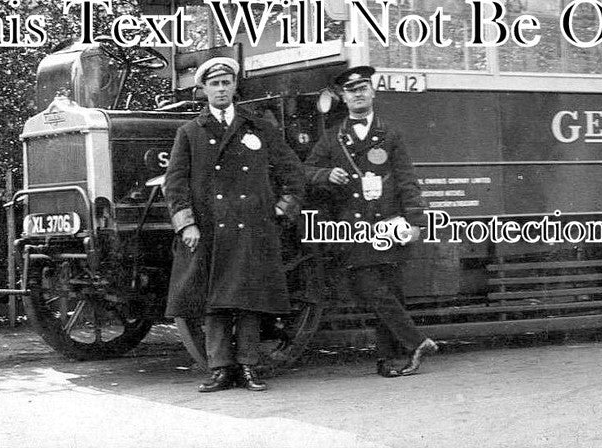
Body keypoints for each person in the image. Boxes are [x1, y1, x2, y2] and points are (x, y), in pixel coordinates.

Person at [163, 57, 304, 393]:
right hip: (211, 228)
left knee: (250, 300)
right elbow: (175, 184)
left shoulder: (258, 127)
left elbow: (292, 170)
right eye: (215, 84)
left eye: (227, 82)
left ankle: (249, 367)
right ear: (204, 90)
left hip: (253, 227)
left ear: (235, 86)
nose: (221, 89)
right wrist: (187, 225)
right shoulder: (190, 132)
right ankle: (220, 369)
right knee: (215, 301)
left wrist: (283, 209)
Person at [304, 65, 438, 378]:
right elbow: (305, 171)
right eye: (351, 91)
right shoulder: (332, 139)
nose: (358, 94)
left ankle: (389, 360)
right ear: (343, 98)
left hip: (390, 225)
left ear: (372, 92)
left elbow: (407, 180)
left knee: (390, 294)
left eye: (363, 88)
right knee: (371, 290)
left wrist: (416, 220)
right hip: (354, 230)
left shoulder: (390, 135)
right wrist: (326, 175)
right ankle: (417, 341)